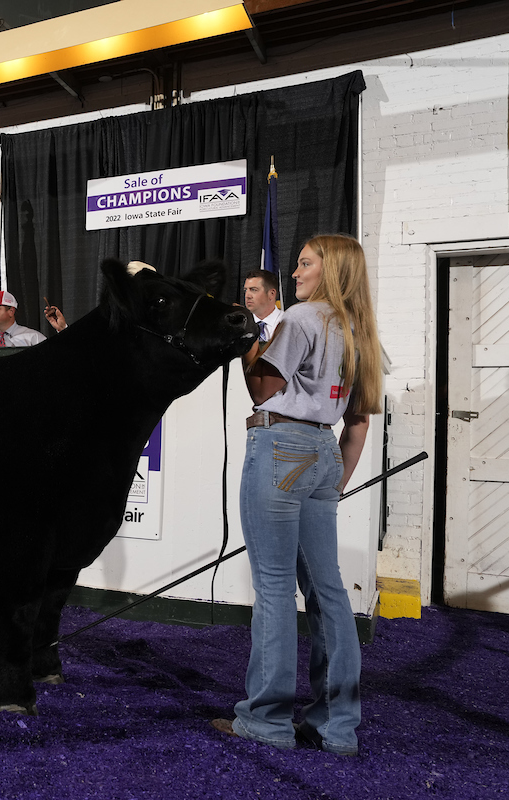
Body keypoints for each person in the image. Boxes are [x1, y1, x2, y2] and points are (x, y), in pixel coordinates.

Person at [211, 234, 382, 757]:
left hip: (280, 447)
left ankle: (267, 720)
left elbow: (261, 389)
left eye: (306, 263)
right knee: (328, 592)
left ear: (331, 270)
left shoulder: (304, 318)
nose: (296, 272)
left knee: (274, 588)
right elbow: (358, 422)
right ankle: (336, 726)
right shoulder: (360, 330)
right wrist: (334, 484)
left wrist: (246, 340)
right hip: (325, 453)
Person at [243, 269, 285, 343]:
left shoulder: (288, 323)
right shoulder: (241, 324)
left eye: (253, 290)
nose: (247, 296)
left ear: (271, 294)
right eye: (245, 290)